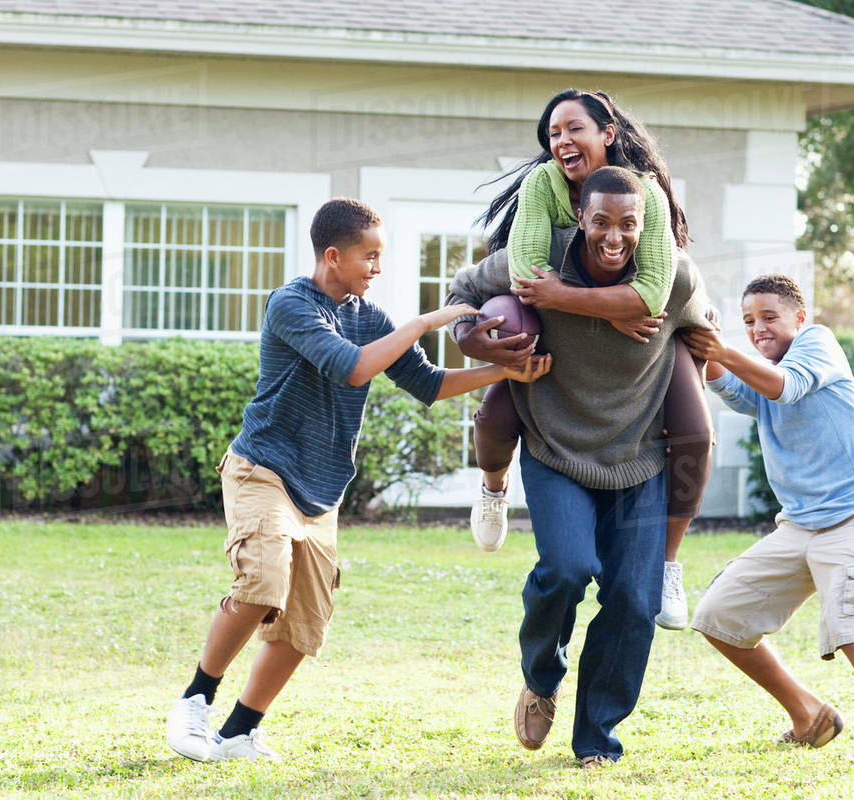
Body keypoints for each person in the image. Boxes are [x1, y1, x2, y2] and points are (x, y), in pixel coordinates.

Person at [165, 198, 551, 763]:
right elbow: (352, 367)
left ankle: (240, 731)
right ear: (332, 255)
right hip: (264, 469)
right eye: (369, 257)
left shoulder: (368, 317)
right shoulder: (291, 304)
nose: (376, 268)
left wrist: (505, 370)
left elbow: (426, 382)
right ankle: (195, 702)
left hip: (322, 491)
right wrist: (423, 322)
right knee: (263, 579)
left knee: (305, 621)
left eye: (380, 257)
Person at [447, 166, 715, 766]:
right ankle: (541, 678)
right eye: (600, 223)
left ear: (645, 228)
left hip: (637, 458)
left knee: (633, 601)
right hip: (555, 448)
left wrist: (709, 365)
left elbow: (707, 334)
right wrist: (478, 341)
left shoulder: (672, 277)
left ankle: (596, 739)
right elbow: (460, 293)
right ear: (580, 220)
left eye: (628, 225)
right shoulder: (540, 262)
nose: (613, 237)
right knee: (567, 570)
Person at [470, 88, 710, 631]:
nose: (561, 141)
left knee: (696, 431)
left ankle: (669, 563)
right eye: (553, 133)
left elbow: (653, 291)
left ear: (608, 134)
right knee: (495, 413)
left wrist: (619, 309)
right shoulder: (543, 185)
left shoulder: (639, 191)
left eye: (573, 128)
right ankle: (492, 488)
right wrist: (605, 310)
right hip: (557, 336)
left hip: (649, 340)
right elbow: (530, 276)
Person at [683, 274, 854, 774]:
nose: (758, 329)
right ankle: (808, 714)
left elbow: (787, 386)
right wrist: (700, 340)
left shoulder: (818, 345)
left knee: (852, 622)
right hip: (799, 525)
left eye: (769, 317)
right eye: (749, 321)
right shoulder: (764, 370)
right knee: (719, 614)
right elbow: (736, 389)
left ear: (800, 317)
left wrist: (726, 351)